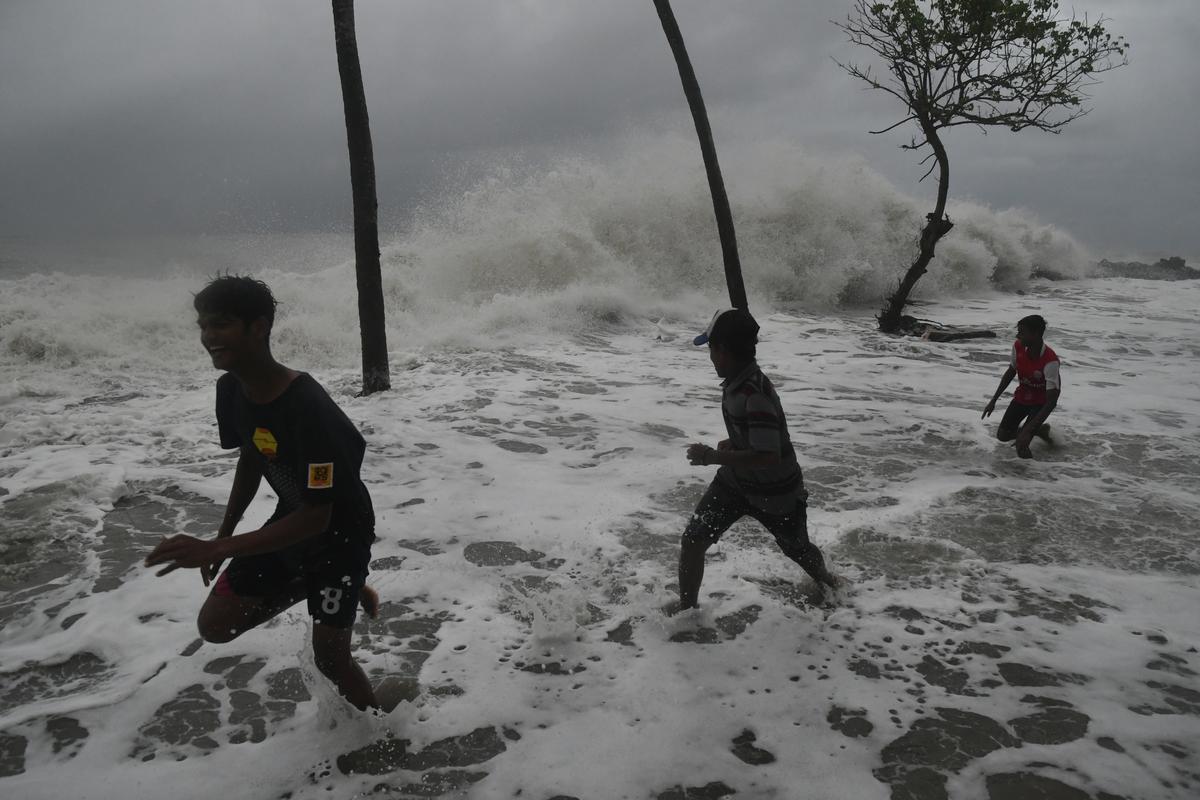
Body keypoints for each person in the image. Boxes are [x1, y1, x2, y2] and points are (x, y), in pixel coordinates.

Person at [145, 276, 381, 711]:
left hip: (340, 534)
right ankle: (323, 587)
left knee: (330, 657)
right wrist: (225, 531)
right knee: (215, 626)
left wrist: (218, 545)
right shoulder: (231, 389)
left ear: (260, 327)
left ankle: (386, 736)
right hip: (293, 518)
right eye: (203, 326)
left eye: (222, 325)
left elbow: (318, 518)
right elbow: (253, 456)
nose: (209, 337)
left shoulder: (309, 408)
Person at [675, 308, 839, 612]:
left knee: (797, 550)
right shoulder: (741, 381)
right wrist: (737, 442)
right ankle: (686, 611)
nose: (710, 357)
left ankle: (828, 582)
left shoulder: (754, 393)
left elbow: (767, 455)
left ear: (722, 351)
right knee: (693, 540)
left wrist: (711, 456)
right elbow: (757, 438)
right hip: (736, 480)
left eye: (711, 349)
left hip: (776, 491)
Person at [981, 313, 1061, 459]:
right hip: (1022, 397)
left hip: (1041, 404)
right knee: (1002, 436)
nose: (1018, 336)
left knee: (1021, 445)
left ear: (1035, 334)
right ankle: (1039, 431)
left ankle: (1034, 476)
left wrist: (1028, 430)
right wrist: (993, 400)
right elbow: (1011, 370)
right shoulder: (1018, 346)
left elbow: (1051, 401)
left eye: (1022, 333)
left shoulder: (1050, 361)